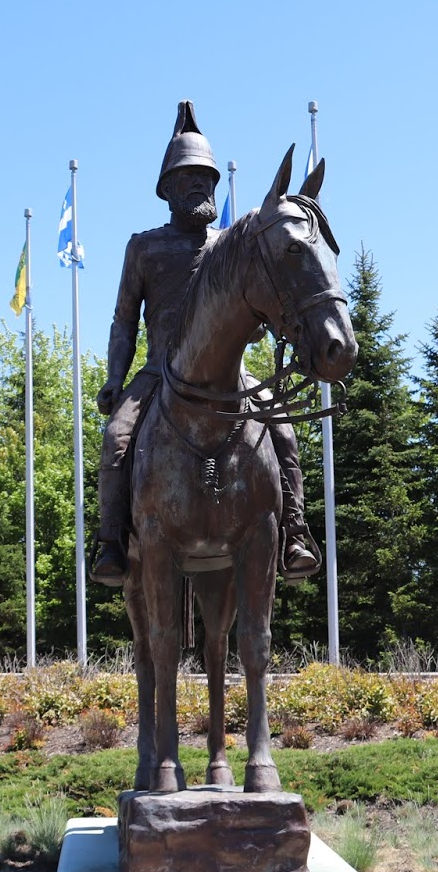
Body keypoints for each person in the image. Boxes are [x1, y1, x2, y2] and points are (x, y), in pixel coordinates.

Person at [90, 101, 321, 586]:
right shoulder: (144, 247)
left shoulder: (228, 244)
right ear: (167, 190)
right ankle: (111, 539)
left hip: (229, 376)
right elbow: (123, 321)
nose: (201, 185)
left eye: (208, 178)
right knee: (116, 438)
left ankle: (295, 531)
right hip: (158, 373)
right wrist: (116, 379)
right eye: (189, 178)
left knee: (282, 431)